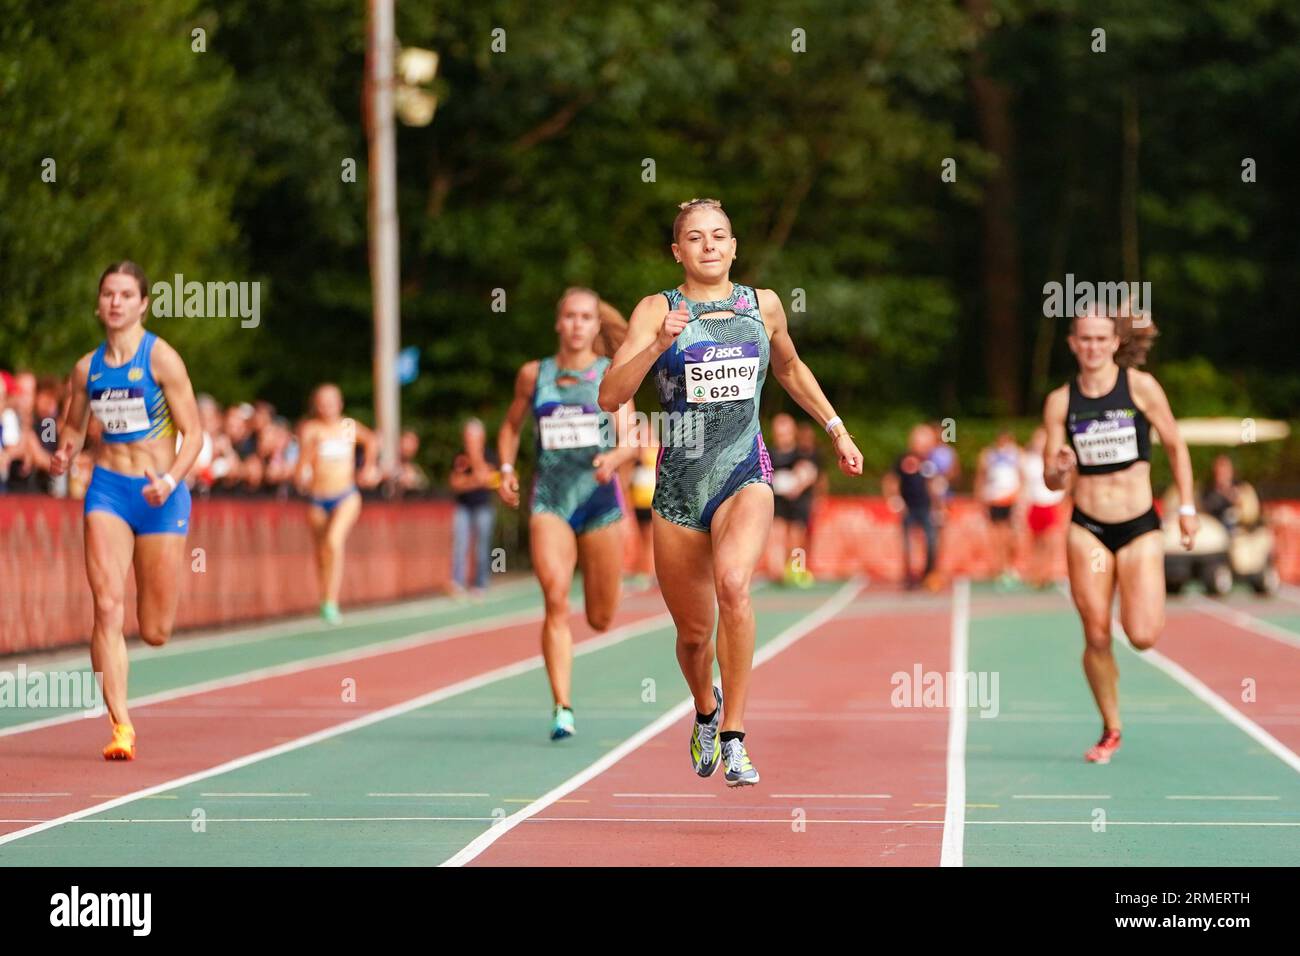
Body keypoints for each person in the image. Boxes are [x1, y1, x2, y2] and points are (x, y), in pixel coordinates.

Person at [599, 198, 864, 786]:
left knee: (735, 585)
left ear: (735, 246)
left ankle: (736, 735)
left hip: (746, 473)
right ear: (678, 251)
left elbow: (791, 369)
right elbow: (610, 395)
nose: (709, 246)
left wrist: (836, 428)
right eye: (695, 238)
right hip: (677, 490)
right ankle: (705, 708)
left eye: (719, 236)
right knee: (694, 636)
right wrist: (654, 345)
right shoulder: (655, 310)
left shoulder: (761, 306)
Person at [48, 261, 203, 760]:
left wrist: (172, 479)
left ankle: (140, 662)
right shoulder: (85, 368)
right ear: (99, 304)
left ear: (143, 304)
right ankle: (121, 726)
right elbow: (73, 427)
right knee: (107, 604)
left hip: (161, 494)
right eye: (108, 294)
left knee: (155, 630)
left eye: (125, 294)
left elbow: (196, 434)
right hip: (109, 490)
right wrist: (63, 452)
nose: (115, 302)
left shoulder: (163, 360)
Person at [1042, 304, 1197, 763]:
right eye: (1083, 339)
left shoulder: (1141, 387)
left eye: (1100, 339)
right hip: (1086, 526)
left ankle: (1116, 708)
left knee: (1143, 634)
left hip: (1138, 525)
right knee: (1095, 635)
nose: (1091, 346)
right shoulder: (1060, 400)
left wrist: (1186, 507)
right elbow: (1051, 479)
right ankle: (1111, 728)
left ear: (1115, 343)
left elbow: (1175, 443)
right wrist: (1060, 466)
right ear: (1073, 344)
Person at [498, 290, 635, 740]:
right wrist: (504, 468)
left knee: (600, 618)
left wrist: (612, 461)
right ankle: (563, 707)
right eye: (570, 317)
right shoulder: (534, 375)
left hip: (599, 503)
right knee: (555, 597)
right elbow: (510, 426)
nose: (577, 325)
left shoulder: (611, 375)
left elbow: (630, 440)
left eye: (586, 318)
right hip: (550, 501)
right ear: (558, 323)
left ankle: (594, 618)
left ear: (597, 326)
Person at [295, 383, 380, 625]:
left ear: (340, 403)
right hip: (317, 498)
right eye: (322, 402)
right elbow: (301, 466)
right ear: (316, 405)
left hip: (346, 495)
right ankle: (324, 598)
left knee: (334, 542)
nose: (327, 406)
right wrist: (304, 465)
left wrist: (369, 466)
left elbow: (371, 440)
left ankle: (332, 601)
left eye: (331, 401)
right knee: (322, 552)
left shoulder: (348, 427)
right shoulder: (310, 429)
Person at [883, 424, 942, 591]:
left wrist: (938, 507)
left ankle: (928, 575)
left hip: (926, 507)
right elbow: (891, 480)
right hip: (908, 507)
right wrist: (894, 499)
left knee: (931, 541)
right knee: (908, 544)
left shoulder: (930, 461)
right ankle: (909, 577)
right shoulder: (903, 459)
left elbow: (933, 486)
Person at [768, 412, 821, 587]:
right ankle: (778, 572)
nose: (783, 436)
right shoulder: (769, 453)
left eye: (786, 432)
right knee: (778, 535)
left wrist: (798, 484)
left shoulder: (802, 453)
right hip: (777, 499)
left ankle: (795, 569)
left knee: (795, 537)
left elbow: (810, 473)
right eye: (779, 432)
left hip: (798, 501)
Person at [449, 419, 499, 596]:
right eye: (468, 437)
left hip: (483, 507)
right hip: (463, 507)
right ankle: (457, 583)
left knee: (482, 547)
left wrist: (475, 459)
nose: (469, 440)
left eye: (473, 437)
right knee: (460, 545)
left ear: (482, 438)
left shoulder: (489, 455)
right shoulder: (459, 456)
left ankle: (480, 583)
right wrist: (474, 481)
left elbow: (488, 479)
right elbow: (455, 483)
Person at [1019, 425, 1065, 588]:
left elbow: (1064, 483)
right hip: (1035, 504)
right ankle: (1036, 574)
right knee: (1036, 543)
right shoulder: (1028, 461)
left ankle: (1047, 573)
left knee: (1050, 542)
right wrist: (1021, 507)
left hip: (1051, 505)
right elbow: (1023, 486)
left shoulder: (1055, 461)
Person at [976, 430, 1023, 588]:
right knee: (996, 536)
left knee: (1010, 536)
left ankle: (1009, 566)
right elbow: (981, 477)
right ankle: (998, 568)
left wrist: (1021, 498)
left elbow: (1023, 476)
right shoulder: (989, 455)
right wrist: (980, 497)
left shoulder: (1017, 454)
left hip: (1011, 499)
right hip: (994, 499)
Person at [627, 417, 659, 585]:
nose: (643, 435)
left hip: (652, 501)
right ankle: (646, 571)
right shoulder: (635, 452)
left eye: (646, 432)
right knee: (644, 539)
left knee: (652, 538)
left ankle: (651, 572)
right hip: (639, 502)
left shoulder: (657, 448)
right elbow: (628, 478)